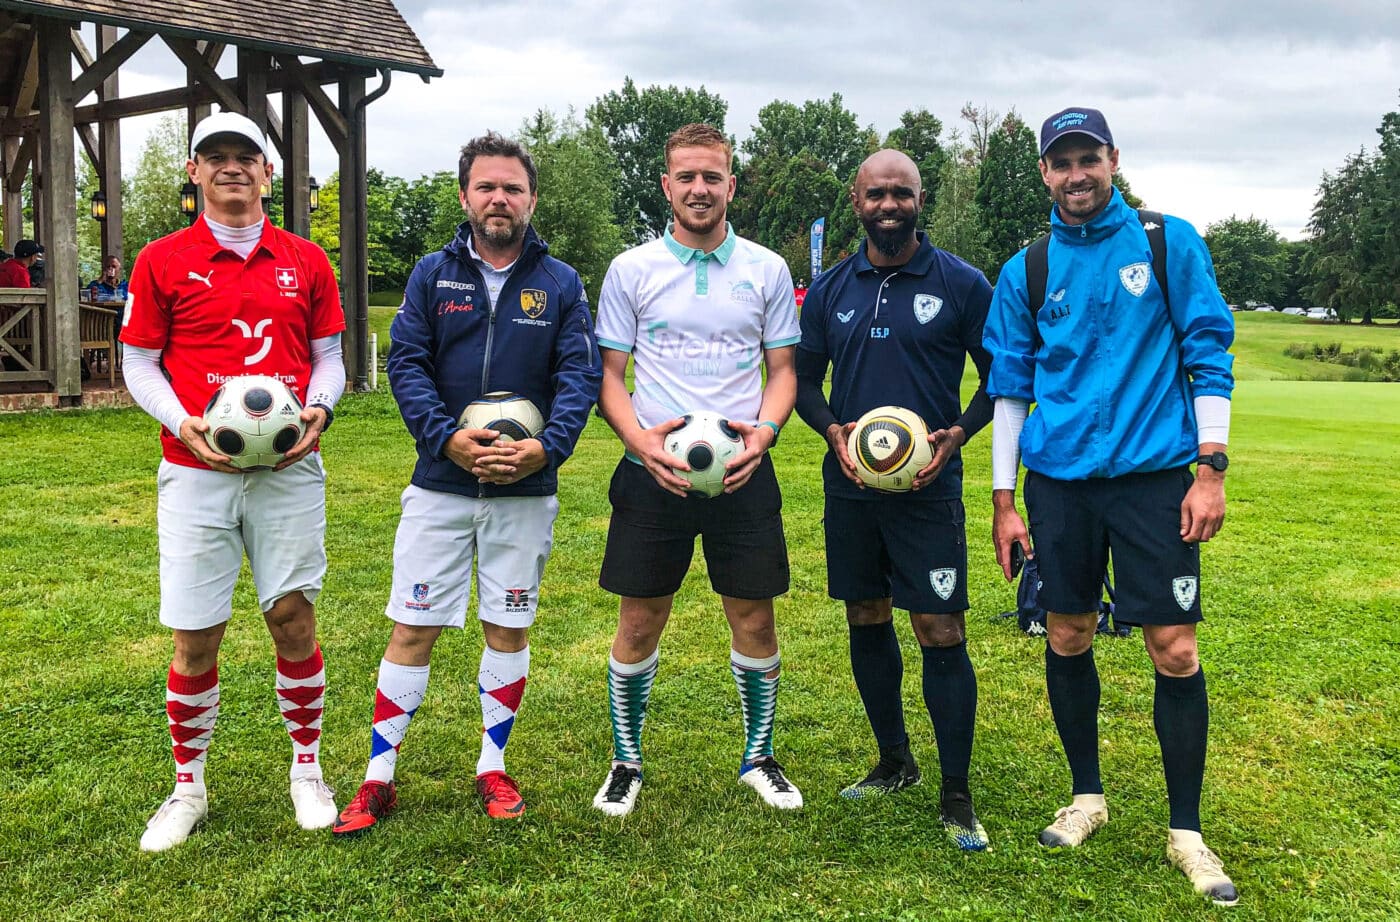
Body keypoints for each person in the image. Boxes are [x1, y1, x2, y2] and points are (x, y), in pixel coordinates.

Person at [983, 107, 1238, 905]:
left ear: (1113, 159)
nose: (1076, 175)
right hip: (1058, 485)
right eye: (1061, 163)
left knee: (1175, 649)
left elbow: (1207, 351)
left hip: (1156, 479)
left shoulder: (1167, 242)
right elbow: (1011, 387)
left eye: (1088, 158)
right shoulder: (1027, 265)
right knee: (1067, 631)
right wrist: (1004, 501)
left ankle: (1186, 831)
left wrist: (1211, 468)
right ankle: (1087, 797)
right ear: (1045, 175)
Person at [332, 133, 601, 834]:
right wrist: (445, 438)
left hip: (524, 489)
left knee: (507, 626)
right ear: (464, 196)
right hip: (440, 486)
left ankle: (492, 765)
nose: (499, 199)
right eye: (486, 187)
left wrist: (548, 448)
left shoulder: (562, 283)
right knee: (412, 625)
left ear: (531, 199)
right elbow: (407, 363)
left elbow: (580, 376)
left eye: (512, 188)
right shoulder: (430, 274)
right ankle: (378, 776)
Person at [119, 110, 347, 852]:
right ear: (194, 172)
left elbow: (329, 356)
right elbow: (139, 362)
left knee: (293, 620)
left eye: (245, 156)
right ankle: (188, 786)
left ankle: (307, 769)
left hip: (288, 469)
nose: (231, 168)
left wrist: (319, 407)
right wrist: (184, 419)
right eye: (214, 157)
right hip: (195, 471)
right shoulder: (161, 259)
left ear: (267, 172)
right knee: (196, 637)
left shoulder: (307, 260)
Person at [591, 123, 802, 816]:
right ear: (667, 185)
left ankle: (759, 756)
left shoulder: (767, 269)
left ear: (730, 184)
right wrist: (640, 442)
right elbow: (611, 377)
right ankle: (626, 762)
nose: (700, 189)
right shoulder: (632, 269)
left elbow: (783, 371)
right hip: (652, 474)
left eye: (712, 176)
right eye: (687, 177)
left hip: (742, 474)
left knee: (754, 617)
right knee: (641, 618)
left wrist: (765, 434)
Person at [794, 149, 994, 850]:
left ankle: (957, 792)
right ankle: (894, 761)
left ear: (919, 198)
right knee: (866, 612)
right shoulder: (828, 291)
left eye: (901, 193)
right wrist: (833, 434)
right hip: (852, 489)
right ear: (857, 201)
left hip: (927, 491)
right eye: (876, 193)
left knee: (940, 629)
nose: (888, 204)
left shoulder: (963, 284)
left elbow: (999, 377)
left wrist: (958, 435)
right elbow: (805, 385)